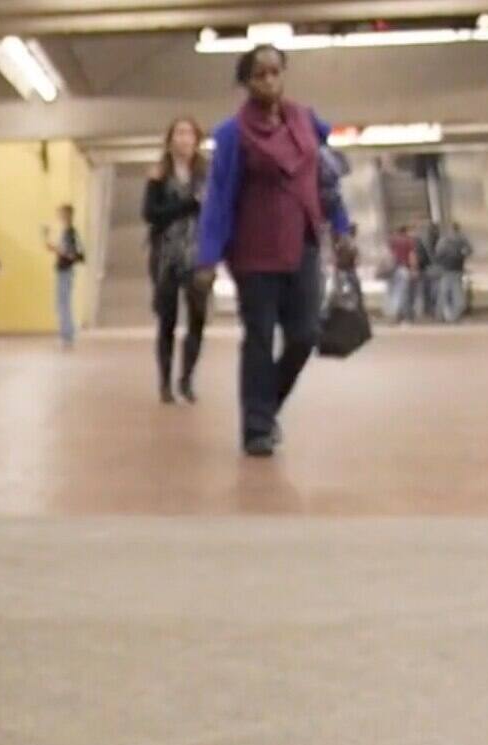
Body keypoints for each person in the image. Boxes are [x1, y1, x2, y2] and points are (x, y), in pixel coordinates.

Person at [192, 43, 358, 457]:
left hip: (303, 244)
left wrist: (341, 230)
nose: (268, 81)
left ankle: (267, 409)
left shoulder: (306, 122)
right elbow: (219, 197)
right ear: (246, 82)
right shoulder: (233, 135)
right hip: (255, 253)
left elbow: (326, 181)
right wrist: (207, 259)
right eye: (259, 75)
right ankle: (256, 429)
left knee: (303, 336)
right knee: (260, 339)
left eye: (274, 72)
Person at [143, 118, 212, 403]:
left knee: (197, 321)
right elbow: (150, 213)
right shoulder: (159, 174)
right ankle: (164, 383)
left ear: (197, 139)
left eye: (189, 133)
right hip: (166, 257)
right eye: (179, 133)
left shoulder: (207, 173)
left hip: (198, 256)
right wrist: (189, 204)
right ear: (170, 139)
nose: (184, 138)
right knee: (167, 321)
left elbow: (216, 212)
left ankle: (186, 379)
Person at [51, 204, 85, 349]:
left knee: (63, 303)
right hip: (63, 270)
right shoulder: (67, 232)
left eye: (62, 214)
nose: (60, 217)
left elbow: (71, 253)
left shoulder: (70, 233)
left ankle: (67, 335)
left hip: (66, 271)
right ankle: (66, 334)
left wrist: (59, 251)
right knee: (62, 303)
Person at [432, 220, 472, 322]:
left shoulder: (443, 240)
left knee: (444, 293)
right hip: (456, 270)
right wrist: (461, 255)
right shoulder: (462, 239)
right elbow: (468, 251)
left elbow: (437, 255)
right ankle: (452, 315)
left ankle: (443, 315)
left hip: (445, 270)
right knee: (456, 294)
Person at [386, 222, 420, 322]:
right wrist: (414, 270)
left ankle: (396, 314)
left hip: (393, 269)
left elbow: (389, 255)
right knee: (405, 293)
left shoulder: (392, 241)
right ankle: (406, 315)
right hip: (404, 269)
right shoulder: (409, 241)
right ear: (406, 231)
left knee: (395, 292)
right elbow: (412, 256)